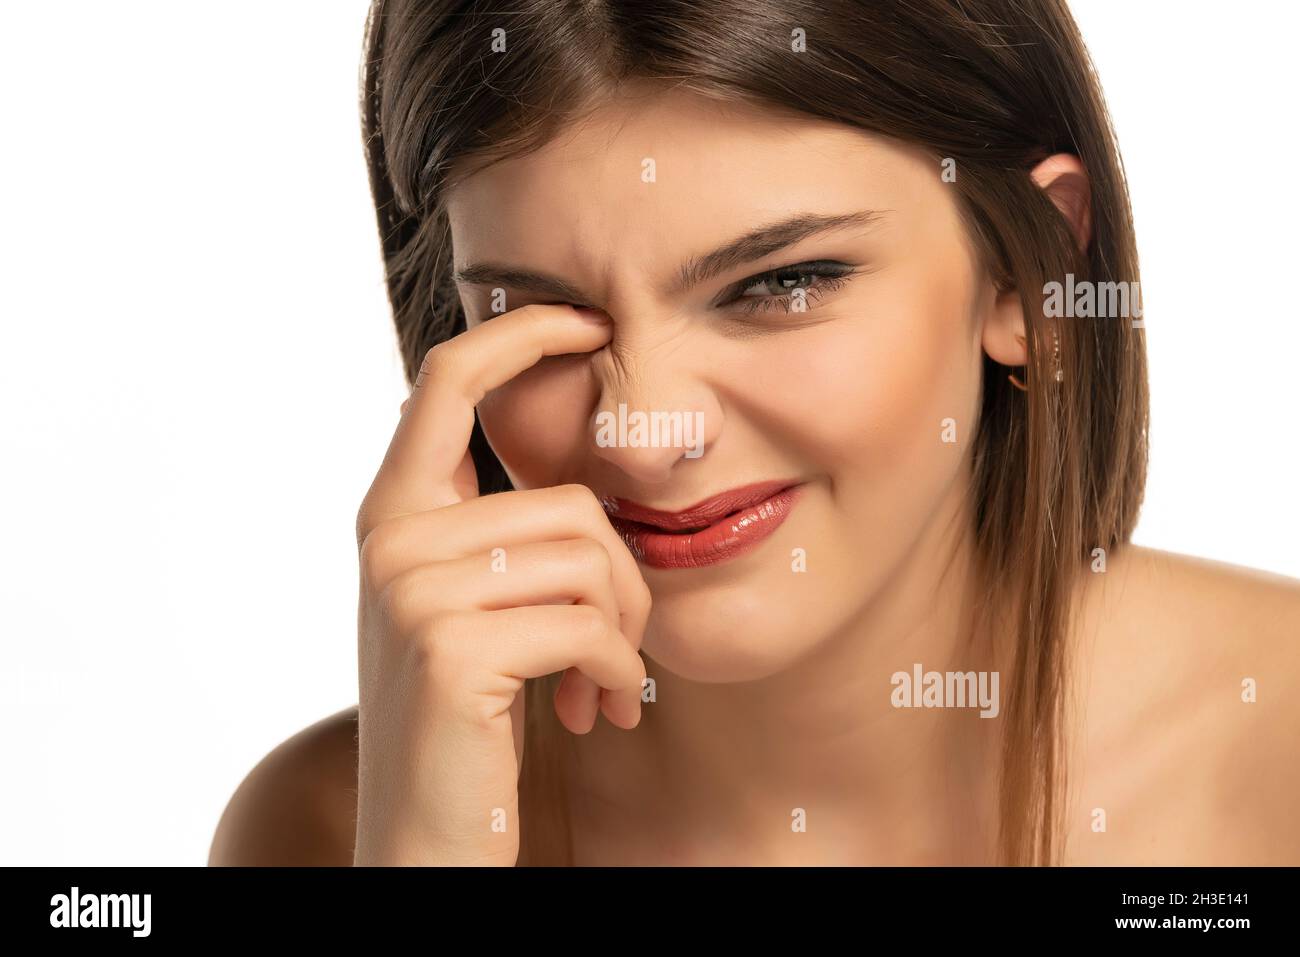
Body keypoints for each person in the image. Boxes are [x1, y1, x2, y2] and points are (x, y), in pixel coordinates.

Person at [208, 0, 1300, 866]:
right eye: (535, 315)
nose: (641, 431)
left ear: (1030, 277)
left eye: (780, 283)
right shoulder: (330, 826)